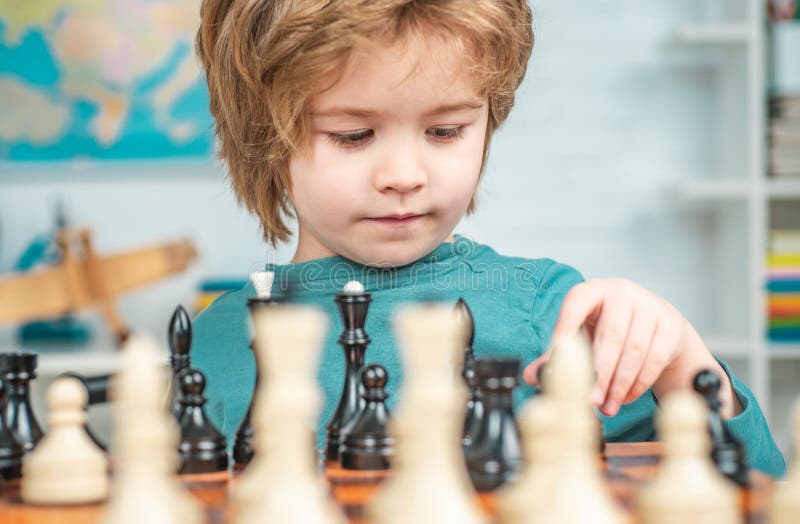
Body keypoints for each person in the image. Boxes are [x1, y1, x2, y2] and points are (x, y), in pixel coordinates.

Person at [191, 0, 785, 476]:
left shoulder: (551, 310)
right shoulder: (211, 343)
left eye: (445, 130)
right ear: (263, 137)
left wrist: (683, 361)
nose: (404, 175)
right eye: (353, 135)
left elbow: (761, 489)